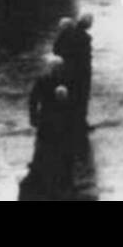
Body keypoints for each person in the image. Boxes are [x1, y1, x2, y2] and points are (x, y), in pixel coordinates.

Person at [27, 58, 73, 199]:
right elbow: (34, 99)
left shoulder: (47, 80)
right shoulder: (57, 81)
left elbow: (33, 99)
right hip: (50, 119)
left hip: (52, 119)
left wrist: (34, 117)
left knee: (48, 144)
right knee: (48, 144)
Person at [55, 14, 94, 129]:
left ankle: (67, 122)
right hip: (82, 71)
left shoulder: (66, 35)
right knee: (82, 97)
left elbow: (56, 50)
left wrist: (66, 57)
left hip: (68, 70)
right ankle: (80, 123)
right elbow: (85, 56)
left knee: (71, 96)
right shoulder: (84, 37)